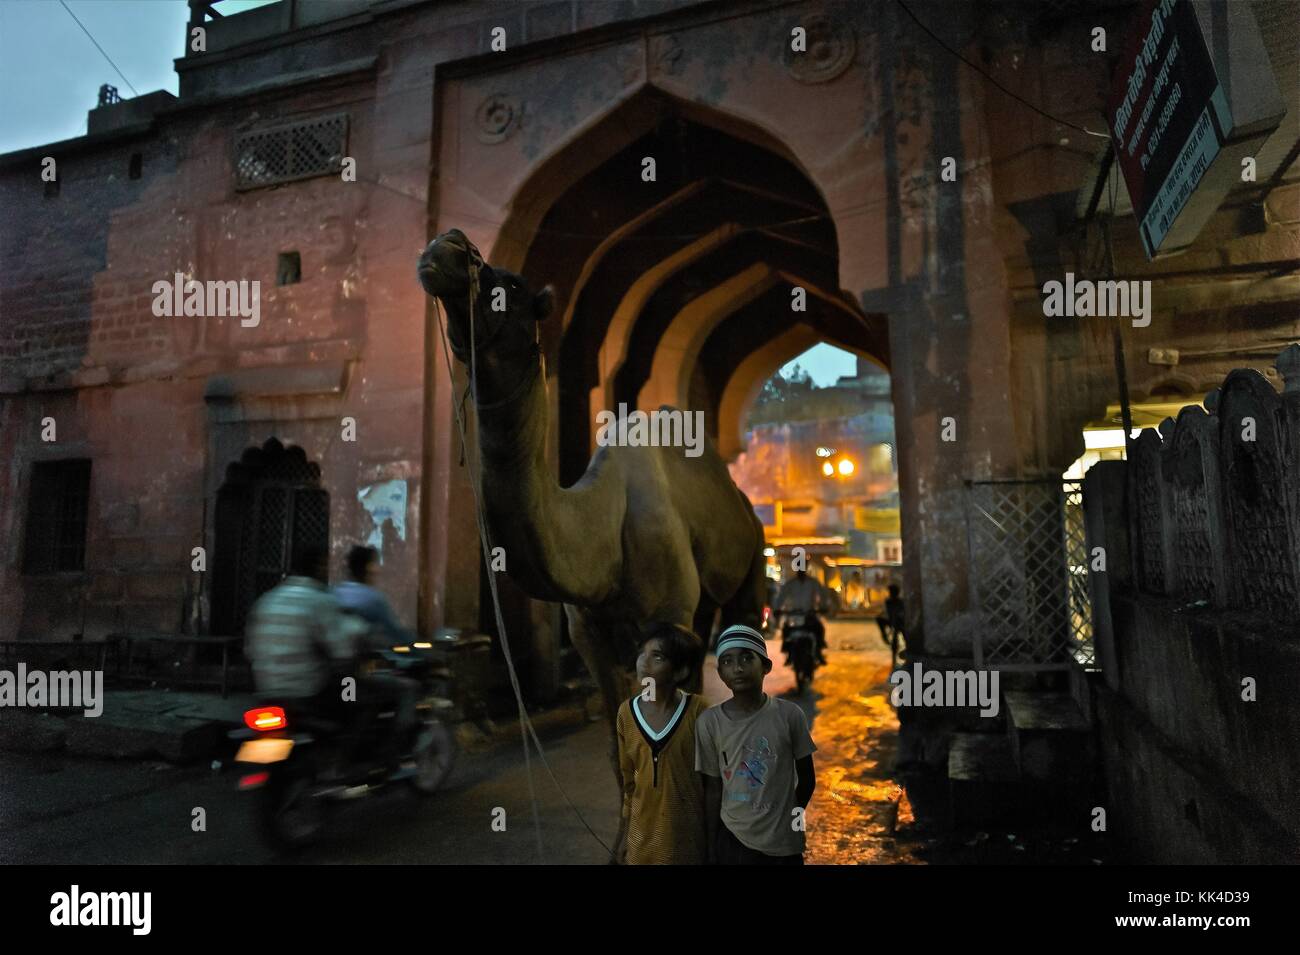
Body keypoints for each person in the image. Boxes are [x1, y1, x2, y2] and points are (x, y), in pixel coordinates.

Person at [696, 625, 817, 865]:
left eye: (746, 658)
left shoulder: (790, 715)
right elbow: (713, 788)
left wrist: (788, 819)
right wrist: (711, 843)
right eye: (728, 662)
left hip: (783, 845)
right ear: (720, 672)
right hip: (733, 839)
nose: (738, 668)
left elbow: (807, 779)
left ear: (766, 667)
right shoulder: (710, 722)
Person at [615, 622, 709, 865]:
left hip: (688, 842)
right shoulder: (626, 713)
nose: (643, 663)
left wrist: (716, 840)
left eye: (657, 656)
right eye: (641, 654)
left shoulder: (699, 712)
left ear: (680, 672)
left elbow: (714, 783)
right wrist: (626, 837)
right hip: (642, 843)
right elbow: (629, 782)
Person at [245, 543, 361, 718]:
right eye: (325, 565)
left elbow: (249, 651)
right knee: (352, 696)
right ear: (320, 567)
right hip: (307, 693)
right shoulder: (320, 600)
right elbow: (343, 653)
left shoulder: (267, 599)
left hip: (266, 691)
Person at [332, 545, 419, 745]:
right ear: (368, 567)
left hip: (334, 671)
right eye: (375, 563)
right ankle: (396, 745)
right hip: (350, 672)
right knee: (407, 688)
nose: (378, 569)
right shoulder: (372, 598)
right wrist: (415, 649)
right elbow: (395, 632)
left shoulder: (335, 591)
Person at [775, 567, 828, 665]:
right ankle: (789, 653)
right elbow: (781, 597)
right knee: (786, 630)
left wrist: (823, 607)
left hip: (809, 615)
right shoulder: (790, 584)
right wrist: (777, 609)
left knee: (819, 629)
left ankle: (818, 653)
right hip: (794, 616)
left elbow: (822, 595)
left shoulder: (813, 583)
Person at [877, 584, 906, 669]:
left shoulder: (900, 602)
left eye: (891, 592)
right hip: (892, 621)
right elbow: (889, 614)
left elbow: (900, 614)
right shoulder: (888, 602)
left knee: (900, 639)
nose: (890, 594)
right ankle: (884, 635)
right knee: (879, 619)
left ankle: (905, 654)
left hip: (900, 623)